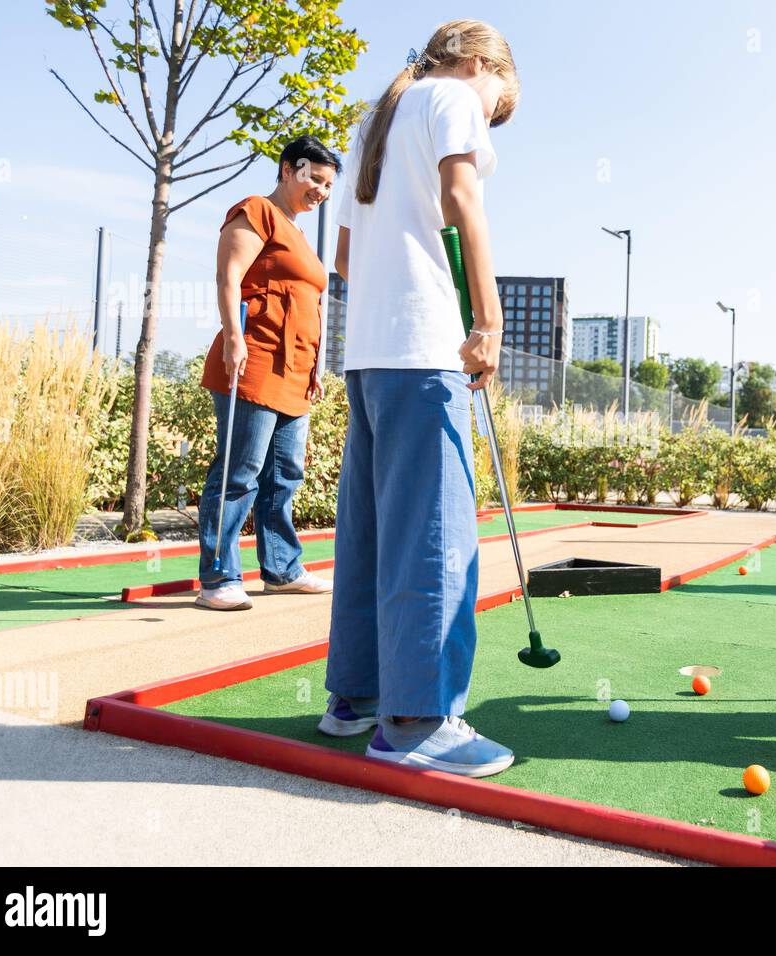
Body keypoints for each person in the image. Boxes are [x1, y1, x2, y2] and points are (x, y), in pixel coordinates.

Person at [317, 20, 520, 778]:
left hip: (368, 355)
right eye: (498, 104)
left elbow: (341, 255)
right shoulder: (450, 95)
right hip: (422, 350)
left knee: (371, 531)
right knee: (436, 535)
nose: (492, 118)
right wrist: (488, 318)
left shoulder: (373, 118)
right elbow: (463, 195)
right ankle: (418, 721)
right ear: (479, 64)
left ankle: (357, 699)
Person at [196, 135, 341, 611]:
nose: (320, 191)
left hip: (296, 373)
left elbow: (306, 302)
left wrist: (315, 366)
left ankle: (281, 569)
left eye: (327, 185)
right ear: (287, 170)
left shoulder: (297, 233)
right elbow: (229, 276)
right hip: (254, 360)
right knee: (240, 472)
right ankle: (218, 577)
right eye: (314, 178)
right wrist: (233, 339)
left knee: (285, 476)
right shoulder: (256, 210)